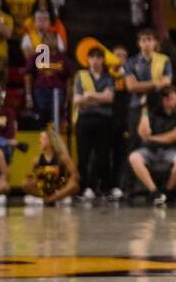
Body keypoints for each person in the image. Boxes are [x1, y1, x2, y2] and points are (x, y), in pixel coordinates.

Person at [128, 85, 176, 205]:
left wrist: (152, 138)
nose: (170, 98)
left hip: (172, 150)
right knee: (134, 157)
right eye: (166, 96)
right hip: (151, 151)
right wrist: (145, 108)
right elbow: (143, 133)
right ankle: (154, 192)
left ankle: (168, 190)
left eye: (172, 95)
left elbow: (175, 136)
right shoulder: (152, 114)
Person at [72, 45, 116, 200]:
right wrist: (99, 97)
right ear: (88, 60)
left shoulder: (109, 77)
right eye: (92, 58)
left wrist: (89, 95)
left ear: (103, 60)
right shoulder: (81, 76)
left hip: (103, 121)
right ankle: (83, 188)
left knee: (103, 156)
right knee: (83, 156)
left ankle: (105, 188)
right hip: (85, 120)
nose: (95, 61)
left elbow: (110, 98)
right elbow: (77, 99)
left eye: (99, 58)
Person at [23, 126, 79, 206]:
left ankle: (50, 199)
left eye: (43, 138)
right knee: (26, 184)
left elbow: (75, 175)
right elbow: (31, 177)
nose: (40, 140)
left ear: (51, 141)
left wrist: (67, 185)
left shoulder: (62, 157)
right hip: (44, 189)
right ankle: (51, 199)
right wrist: (31, 179)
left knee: (74, 185)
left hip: (60, 188)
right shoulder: (37, 160)